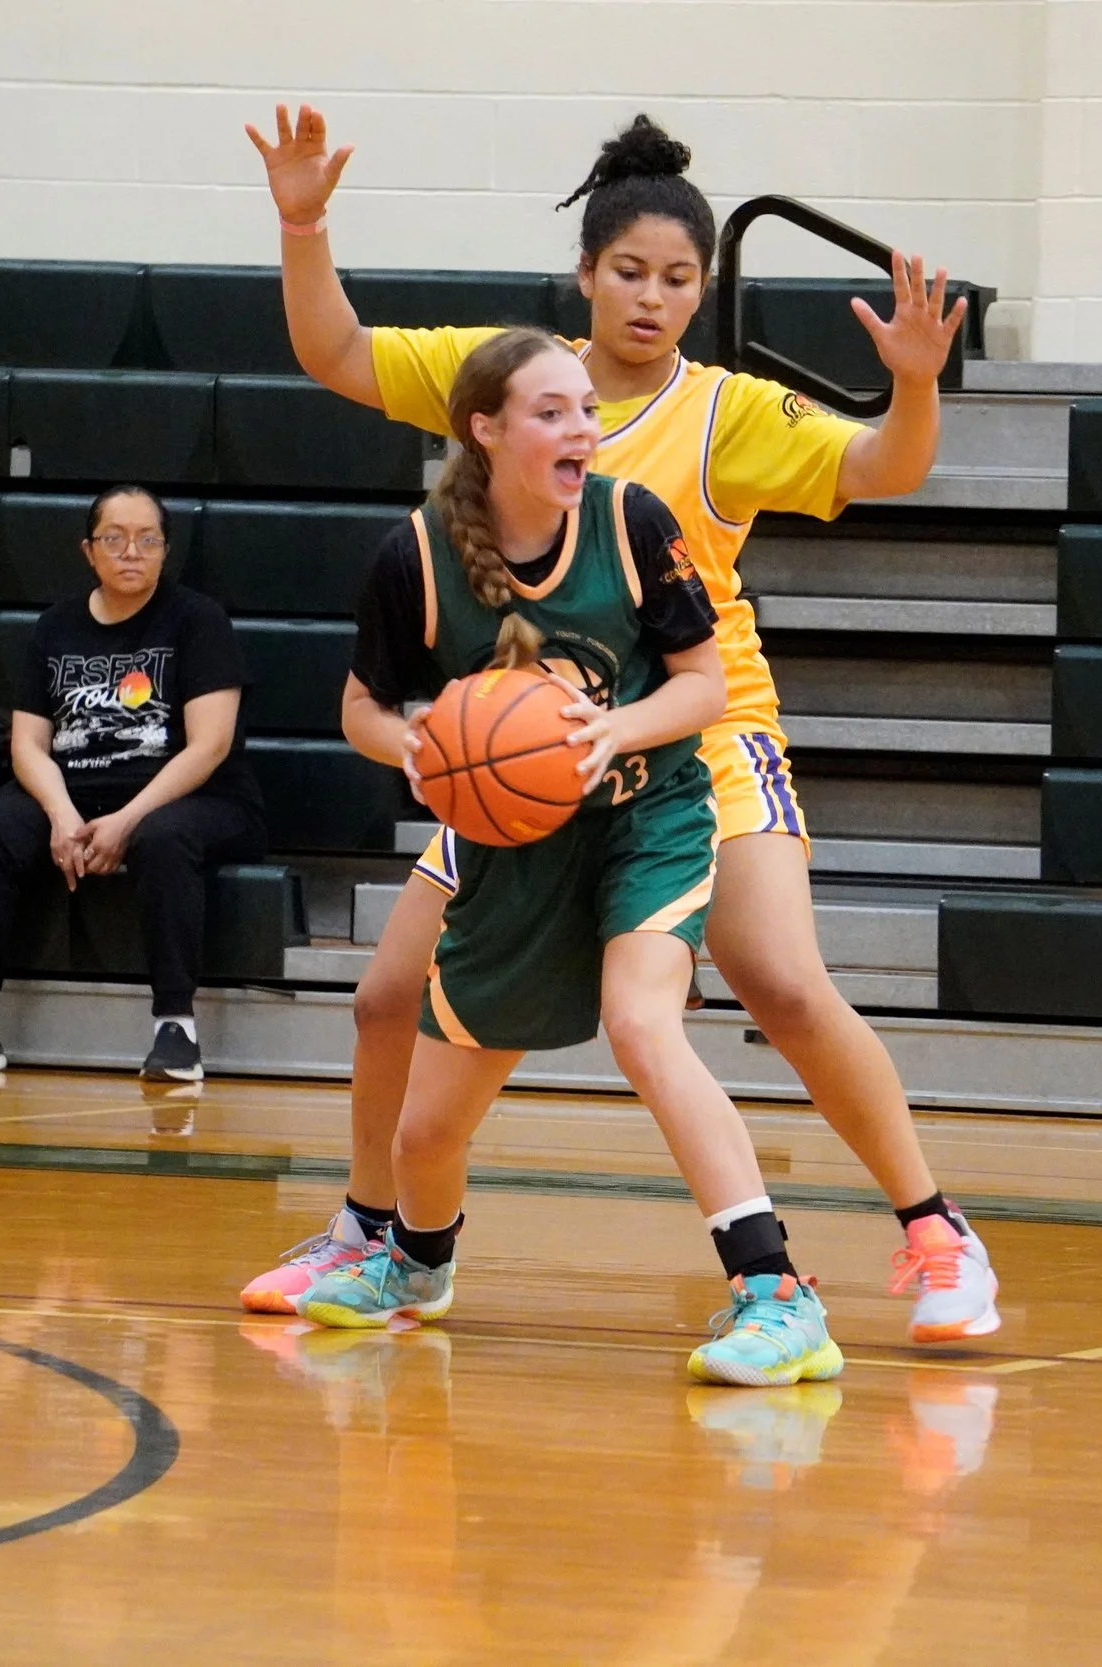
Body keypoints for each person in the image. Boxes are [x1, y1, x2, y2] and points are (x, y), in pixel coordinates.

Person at [240, 107, 1000, 1344]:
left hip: (696, 724)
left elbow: (885, 466)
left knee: (779, 980)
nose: (653, 299)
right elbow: (333, 350)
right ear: (585, 276)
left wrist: (914, 383)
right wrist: (303, 222)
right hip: (530, 741)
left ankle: (932, 1225)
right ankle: (368, 1235)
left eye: (680, 279)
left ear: (704, 291)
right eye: (630, 273)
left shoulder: (725, 412)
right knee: (386, 997)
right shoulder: (514, 378)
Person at [301, 327, 842, 1387]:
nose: (582, 429)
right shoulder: (414, 555)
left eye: (588, 410)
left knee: (642, 1022)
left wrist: (613, 730)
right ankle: (415, 1261)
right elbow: (359, 704)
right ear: (485, 429)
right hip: (513, 850)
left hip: (650, 817)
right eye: (553, 412)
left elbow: (704, 684)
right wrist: (408, 743)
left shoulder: (633, 523)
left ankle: (776, 1291)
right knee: (426, 1131)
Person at [0, 486, 268, 1085]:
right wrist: (60, 814)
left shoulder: (198, 620)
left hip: (195, 797)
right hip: (76, 790)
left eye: (148, 539)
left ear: (165, 550)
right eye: (115, 539)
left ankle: (176, 1027)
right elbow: (27, 744)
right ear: (89, 550)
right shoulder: (56, 627)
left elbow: (210, 746)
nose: (132, 551)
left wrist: (126, 820)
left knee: (162, 837)